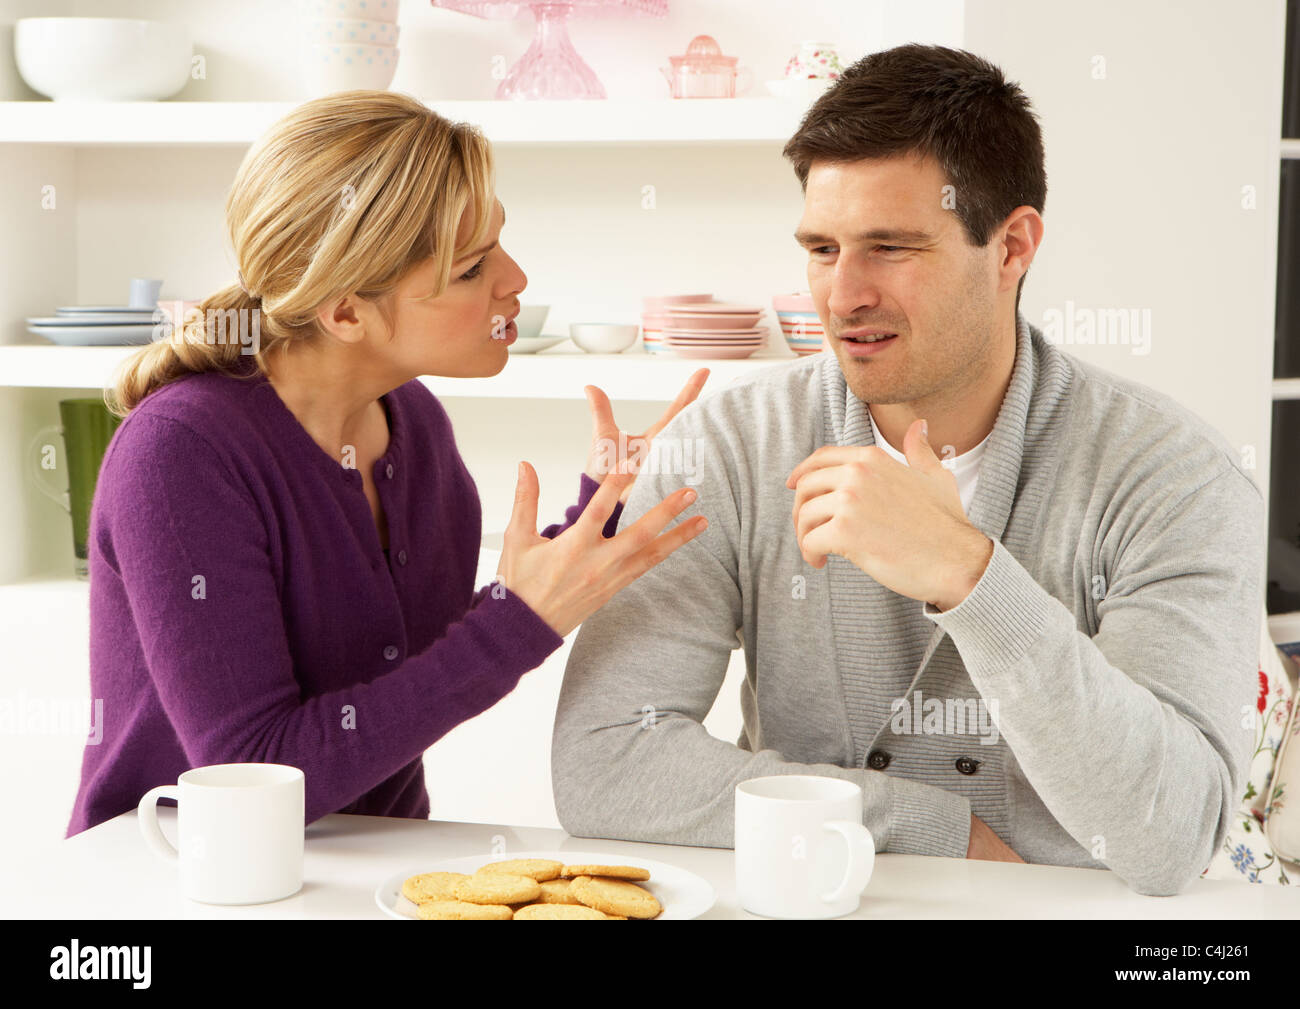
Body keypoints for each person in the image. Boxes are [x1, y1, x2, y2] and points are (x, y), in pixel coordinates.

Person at [551, 44, 1266, 897]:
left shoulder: (1173, 475)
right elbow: (603, 764)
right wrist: (928, 826)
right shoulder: (730, 445)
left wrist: (969, 576)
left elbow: (1172, 835)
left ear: (1012, 248)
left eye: (890, 246)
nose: (842, 295)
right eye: (822, 247)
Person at [66, 90, 709, 835]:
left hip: (367, 865)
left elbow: (409, 670)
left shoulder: (414, 422)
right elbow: (251, 774)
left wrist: (594, 523)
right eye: (472, 269)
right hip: (176, 875)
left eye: (499, 242)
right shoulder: (181, 454)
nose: (516, 280)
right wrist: (521, 620)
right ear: (345, 313)